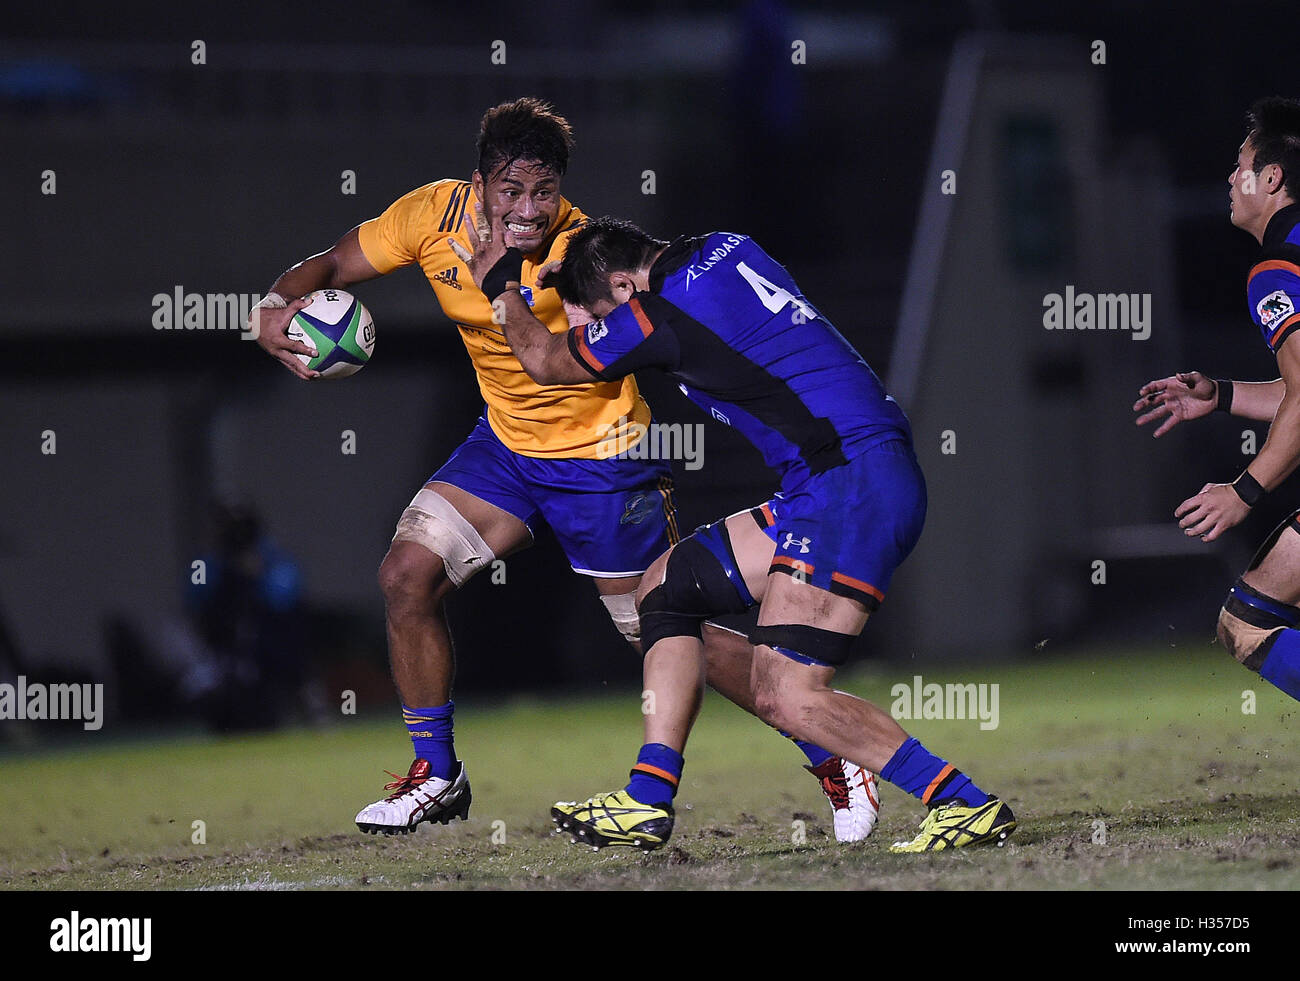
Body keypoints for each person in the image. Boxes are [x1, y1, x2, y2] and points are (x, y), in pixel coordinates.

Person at [250, 97, 876, 839]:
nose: (527, 209)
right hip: (507, 450)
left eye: (543, 191)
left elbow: (574, 361)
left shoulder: (578, 258)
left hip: (604, 461)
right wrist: (273, 305)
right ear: (477, 184)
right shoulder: (427, 217)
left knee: (665, 632)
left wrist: (508, 290)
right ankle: (436, 773)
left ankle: (834, 752)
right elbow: (331, 262)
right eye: (511, 190)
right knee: (404, 574)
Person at [452, 212, 1017, 852]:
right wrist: (578, 261)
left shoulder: (656, 313)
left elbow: (546, 363)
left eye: (589, 313)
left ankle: (962, 801)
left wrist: (502, 285)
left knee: (787, 694)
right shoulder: (728, 247)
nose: (590, 330)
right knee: (664, 589)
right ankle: (647, 798)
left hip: (848, 488)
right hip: (833, 481)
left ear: (622, 287)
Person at [1136, 97, 1300, 705]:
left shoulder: (1278, 271)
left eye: (1242, 165)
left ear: (1273, 178)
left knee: (1248, 625)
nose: (1231, 178)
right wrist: (1225, 395)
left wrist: (1243, 492)